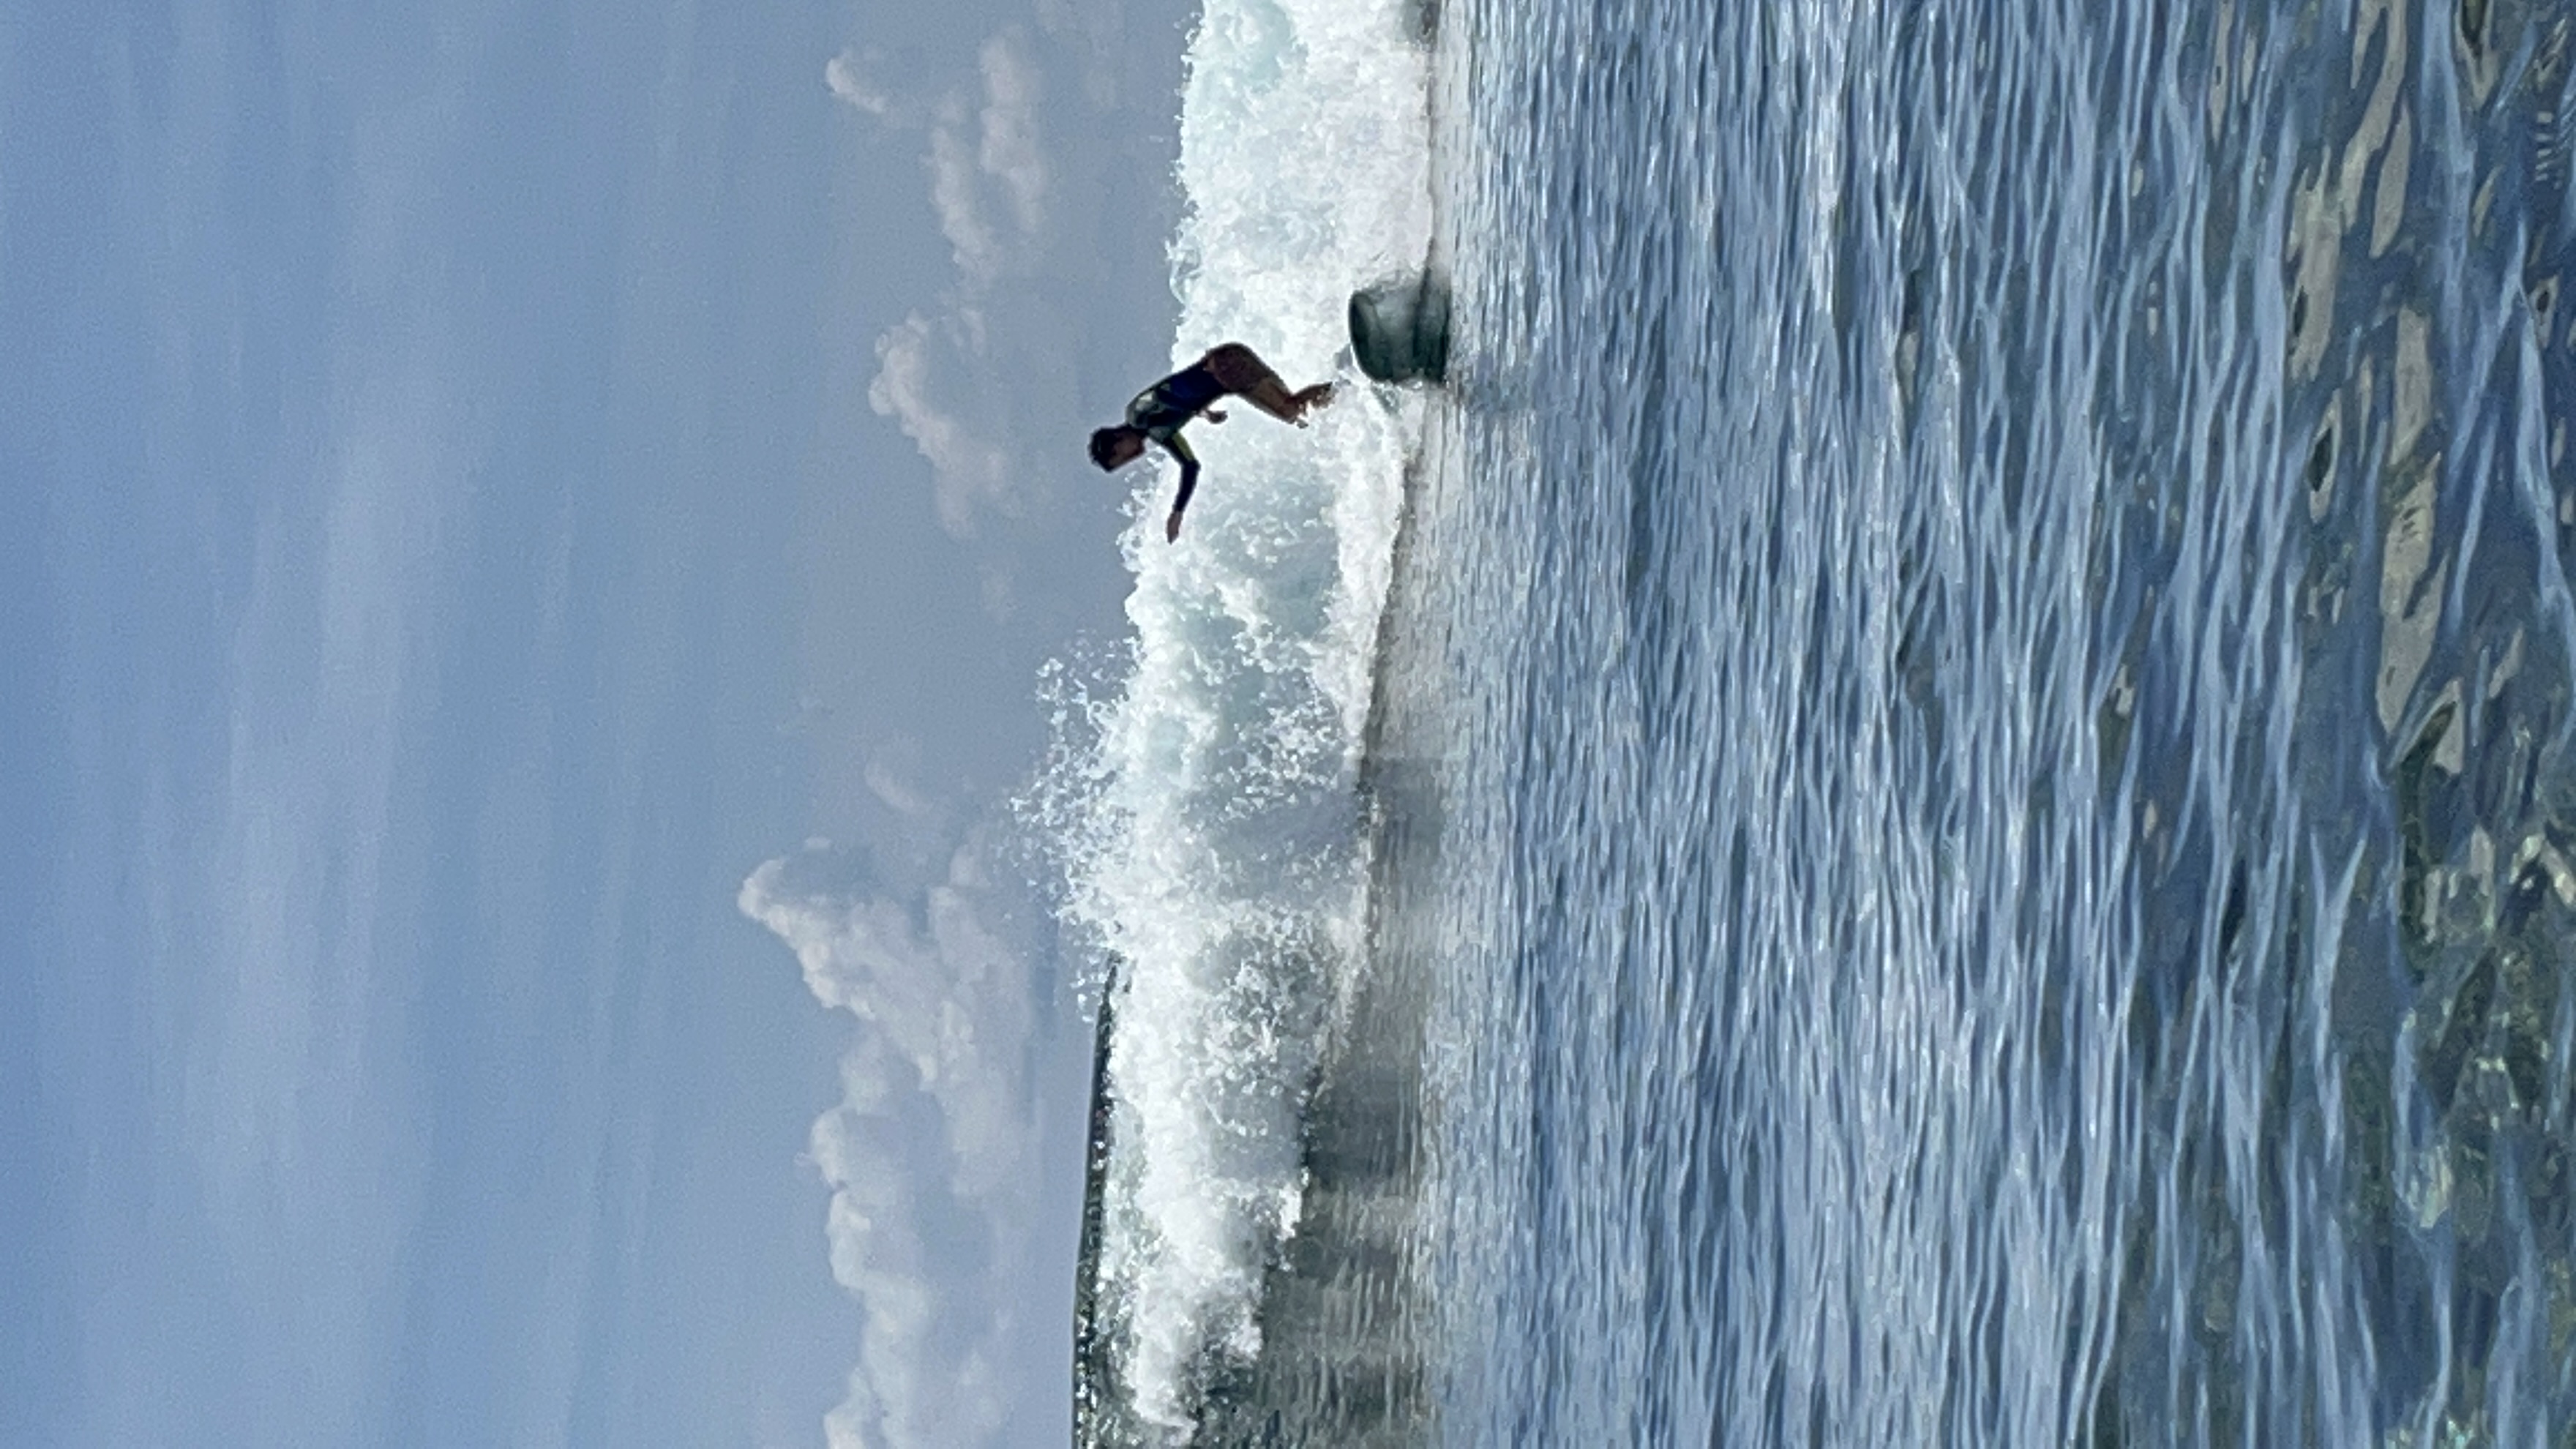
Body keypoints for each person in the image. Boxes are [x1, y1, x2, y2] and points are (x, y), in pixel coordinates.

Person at [1088, 342, 1334, 541]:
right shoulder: (1160, 433)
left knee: (1291, 411)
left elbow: (1161, 394)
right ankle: (1340, 389)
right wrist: (1178, 512)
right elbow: (1190, 466)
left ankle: (1343, 387)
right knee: (1296, 411)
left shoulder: (1137, 416)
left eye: (1122, 455)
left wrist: (1198, 410)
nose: (1131, 458)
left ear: (1117, 439)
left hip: (1225, 367)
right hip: (1229, 367)